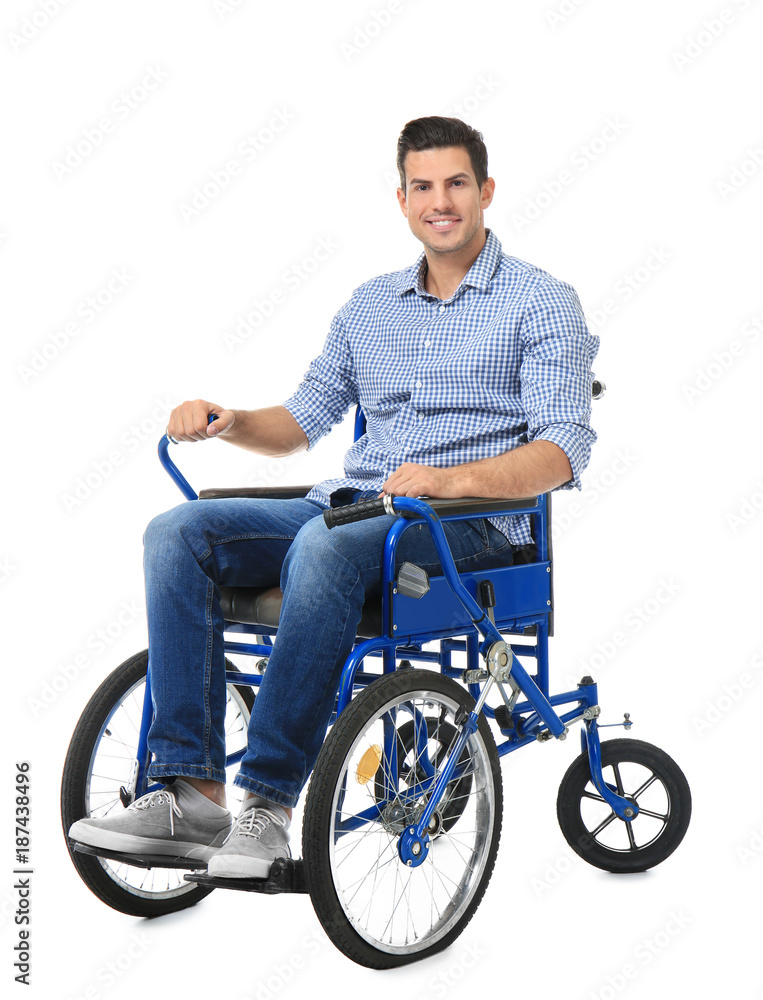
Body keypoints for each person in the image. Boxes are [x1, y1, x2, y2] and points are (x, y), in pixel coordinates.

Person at [69, 116, 599, 879]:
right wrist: (230, 420)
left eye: (456, 183)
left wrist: (445, 481)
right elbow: (299, 422)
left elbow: (561, 450)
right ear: (402, 198)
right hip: (349, 506)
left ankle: (268, 805)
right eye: (423, 186)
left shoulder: (540, 301)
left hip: (467, 525)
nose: (439, 200)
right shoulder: (369, 306)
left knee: (324, 545)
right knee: (176, 531)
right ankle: (190, 789)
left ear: (484, 192)